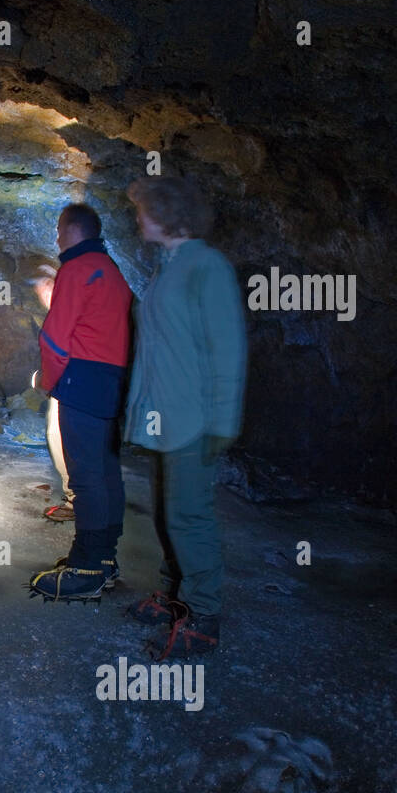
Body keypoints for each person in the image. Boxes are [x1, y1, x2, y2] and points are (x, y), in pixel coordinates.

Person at [121, 176, 247, 659]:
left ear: (167, 214)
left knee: (189, 517)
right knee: (166, 512)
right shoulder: (166, 266)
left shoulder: (205, 266)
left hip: (193, 418)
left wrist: (222, 422)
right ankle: (174, 596)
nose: (138, 219)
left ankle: (202, 616)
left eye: (144, 210)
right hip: (163, 415)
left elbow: (227, 348)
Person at [28, 203, 133, 602]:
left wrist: (52, 382)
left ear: (72, 231)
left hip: (80, 379)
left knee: (86, 478)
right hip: (109, 380)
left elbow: (55, 337)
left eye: (58, 231)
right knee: (106, 473)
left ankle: (85, 568)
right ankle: (103, 559)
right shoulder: (113, 271)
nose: (56, 238)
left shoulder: (76, 267)